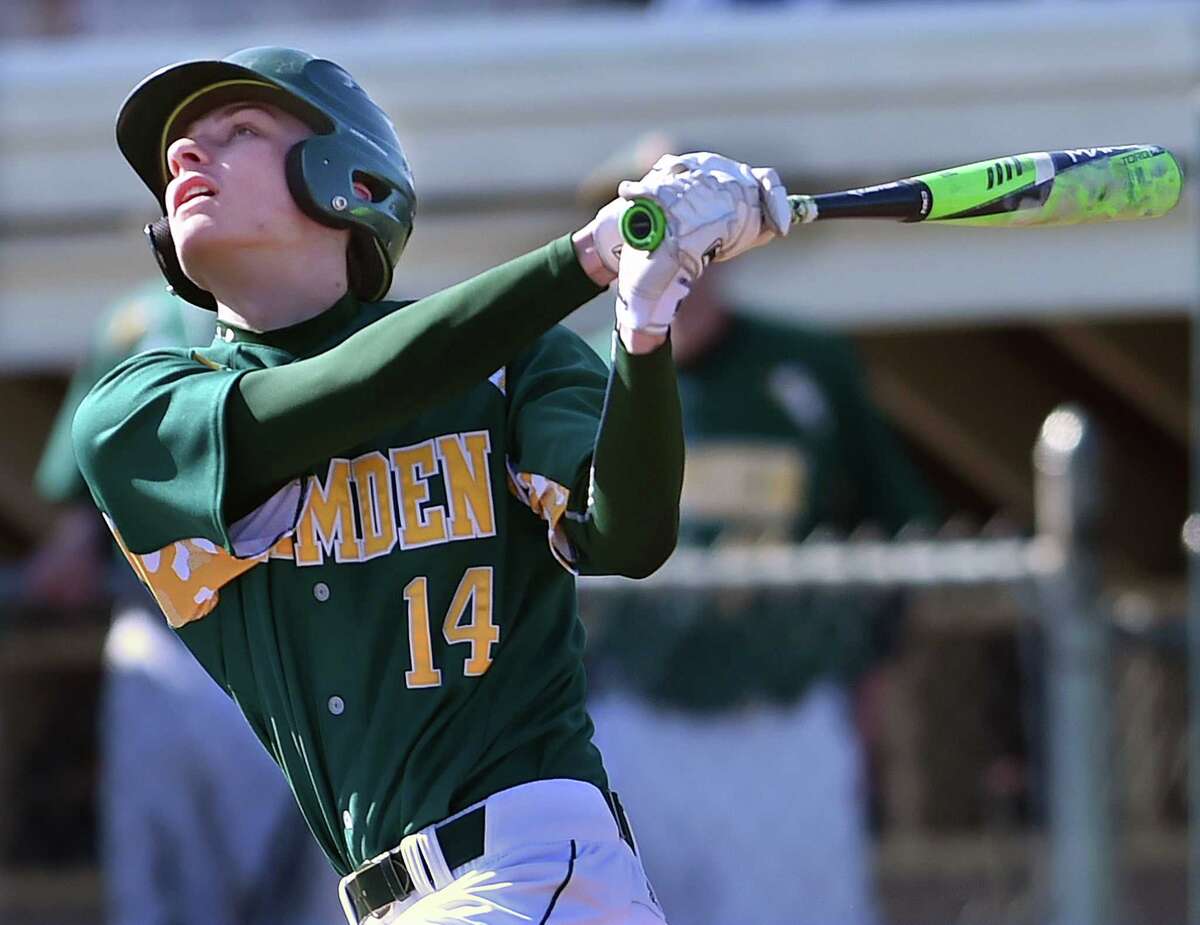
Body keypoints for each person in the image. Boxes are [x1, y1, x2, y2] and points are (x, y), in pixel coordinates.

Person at [70, 46, 791, 924]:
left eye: (240, 130)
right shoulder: (133, 412)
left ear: (349, 179)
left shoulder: (513, 361)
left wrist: (644, 326)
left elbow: (628, 534)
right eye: (177, 148)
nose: (185, 154)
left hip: (532, 865)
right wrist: (589, 255)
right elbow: (335, 395)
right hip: (395, 896)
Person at [587, 261, 938, 925]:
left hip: (780, 718)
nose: (673, 272)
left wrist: (871, 673)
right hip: (631, 718)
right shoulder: (583, 373)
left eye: (693, 249)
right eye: (649, 244)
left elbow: (903, 526)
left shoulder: (809, 364)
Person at [27, 281, 343, 925]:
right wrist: (71, 553)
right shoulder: (135, 320)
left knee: (308, 868)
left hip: (291, 631)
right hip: (164, 632)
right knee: (160, 864)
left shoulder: (326, 303)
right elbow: (77, 508)